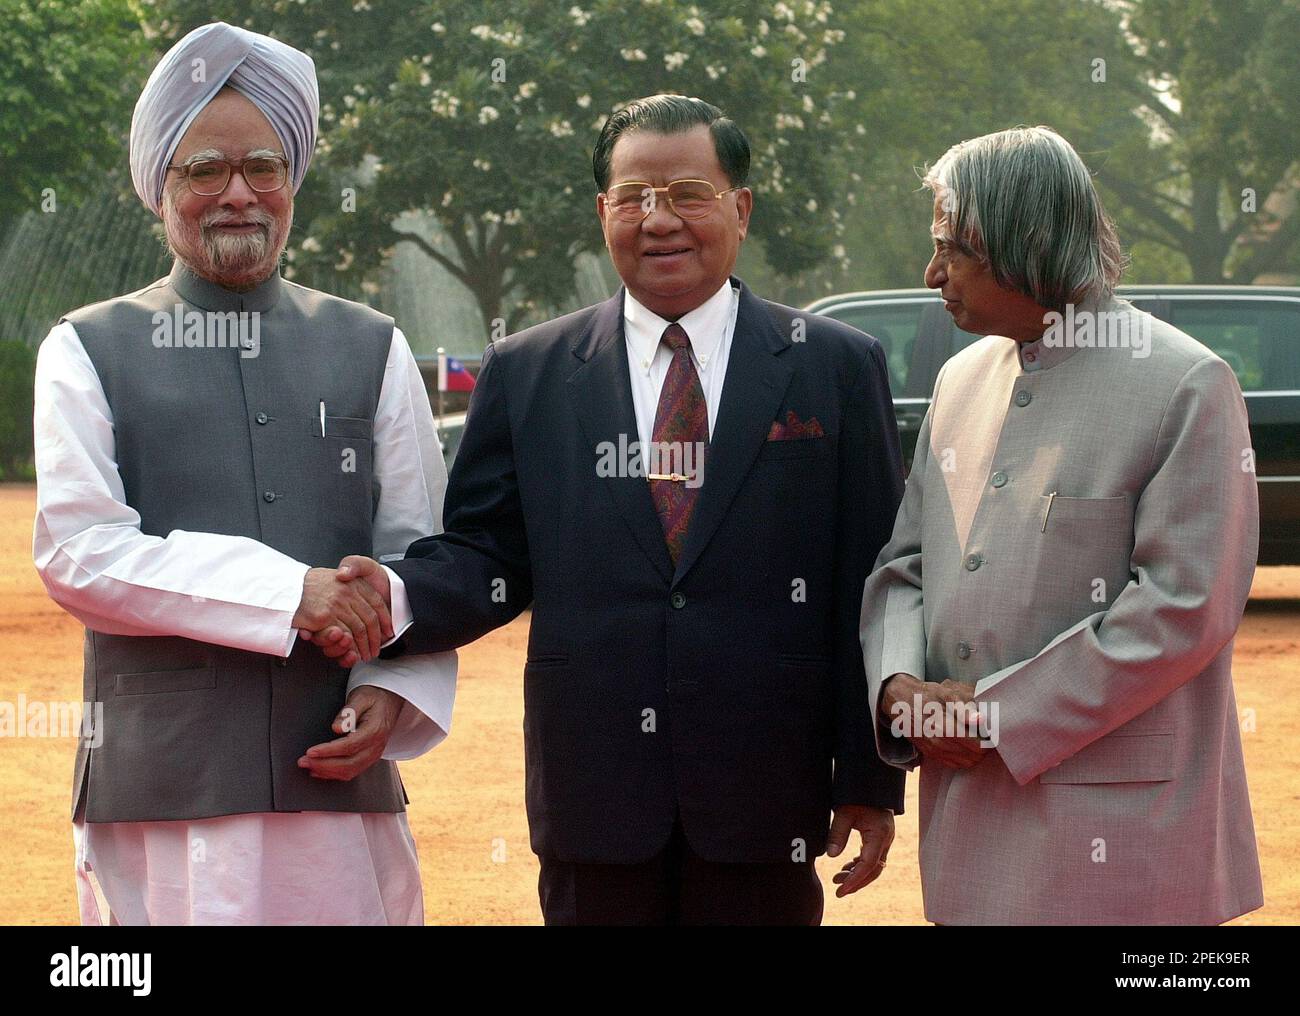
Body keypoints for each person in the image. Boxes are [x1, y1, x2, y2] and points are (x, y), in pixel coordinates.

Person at [323, 94, 906, 925]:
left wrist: (868, 777)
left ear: (739, 208)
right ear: (604, 212)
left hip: (765, 797)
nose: (659, 219)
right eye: (633, 197)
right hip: (594, 797)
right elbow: (489, 555)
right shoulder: (527, 371)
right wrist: (391, 596)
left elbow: (867, 580)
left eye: (688, 194)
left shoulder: (835, 367)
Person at [32, 22, 455, 925]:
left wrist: (393, 689)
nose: (237, 194)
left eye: (263, 167)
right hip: (157, 786)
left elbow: (421, 551)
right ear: (159, 188)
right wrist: (285, 594)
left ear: (293, 181)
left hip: (332, 782)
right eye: (202, 172)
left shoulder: (372, 346)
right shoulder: (84, 348)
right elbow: (80, 552)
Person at [859, 126, 1263, 924]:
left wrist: (989, 715)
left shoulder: (1184, 382)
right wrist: (900, 688)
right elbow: (906, 564)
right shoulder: (962, 378)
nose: (931, 273)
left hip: (1122, 838)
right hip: (971, 825)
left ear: (1022, 242)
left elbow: (1185, 609)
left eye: (951, 249)